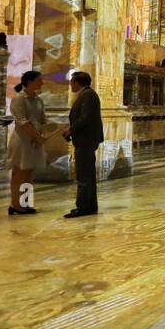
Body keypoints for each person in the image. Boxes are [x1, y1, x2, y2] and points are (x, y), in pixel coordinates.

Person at [7, 71, 54, 215]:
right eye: (39, 80)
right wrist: (37, 136)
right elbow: (22, 122)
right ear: (28, 81)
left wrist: (42, 134)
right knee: (19, 173)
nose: (42, 83)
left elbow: (42, 121)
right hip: (22, 141)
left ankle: (25, 203)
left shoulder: (38, 100)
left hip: (35, 140)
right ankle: (15, 205)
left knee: (30, 173)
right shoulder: (19, 99)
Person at [63, 70, 103, 218]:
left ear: (77, 82)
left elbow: (85, 118)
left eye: (72, 82)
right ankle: (90, 205)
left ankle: (83, 207)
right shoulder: (87, 94)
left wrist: (71, 129)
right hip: (86, 139)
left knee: (83, 175)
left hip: (86, 140)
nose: (70, 85)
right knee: (87, 175)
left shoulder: (88, 95)